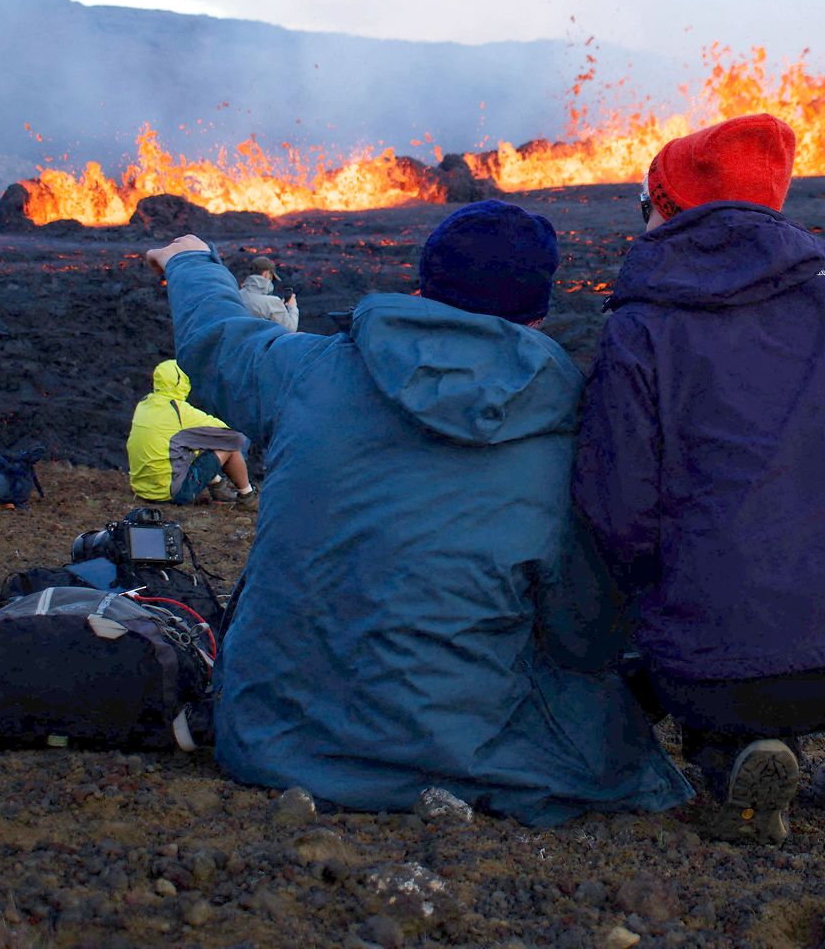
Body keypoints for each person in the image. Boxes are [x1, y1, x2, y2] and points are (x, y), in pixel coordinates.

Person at [143, 201, 689, 825]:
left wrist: (189, 260)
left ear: (421, 286)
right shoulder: (571, 436)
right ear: (538, 314)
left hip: (271, 740)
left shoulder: (307, 370)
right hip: (458, 753)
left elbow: (217, 340)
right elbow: (581, 638)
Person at [572, 113, 825, 844]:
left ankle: (740, 754)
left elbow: (620, 514)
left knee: (706, 620)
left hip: (726, 660)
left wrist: (651, 604)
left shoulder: (641, 328)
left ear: (666, 210)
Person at [126, 360, 257, 509]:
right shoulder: (180, 412)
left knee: (188, 442)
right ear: (181, 381)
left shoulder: (144, 404)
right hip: (170, 493)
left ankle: (219, 487)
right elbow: (235, 438)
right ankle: (247, 497)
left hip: (142, 489)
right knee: (227, 445)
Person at [237, 257, 299, 331]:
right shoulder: (272, 302)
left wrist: (279, 306)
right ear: (266, 273)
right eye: (271, 276)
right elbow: (290, 330)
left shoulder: (237, 295)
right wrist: (292, 306)